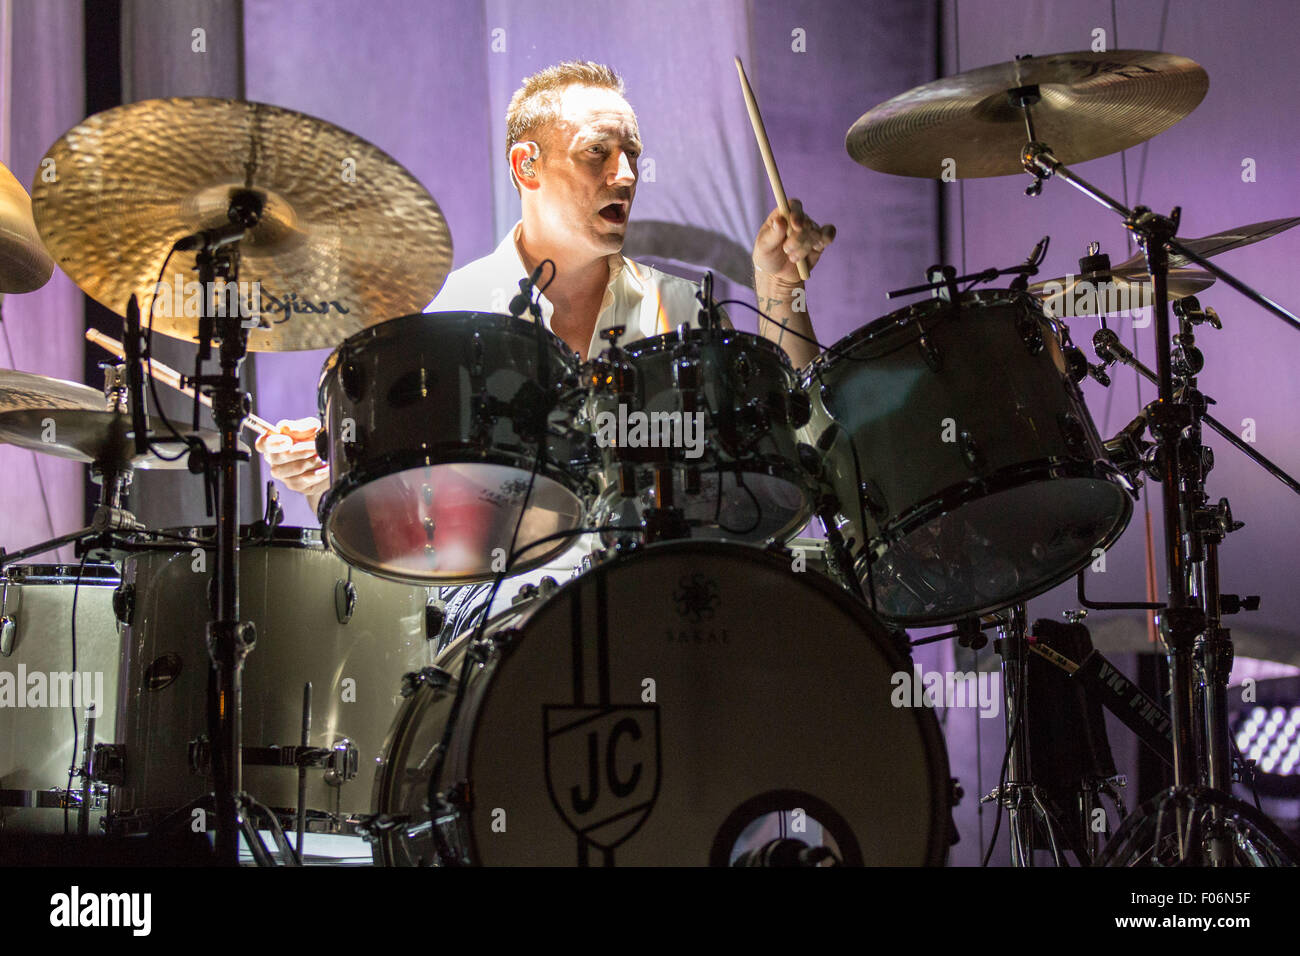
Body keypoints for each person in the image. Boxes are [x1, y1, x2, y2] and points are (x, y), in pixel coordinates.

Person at [257, 60, 834, 517]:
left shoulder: (686, 309)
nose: (627, 175)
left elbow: (804, 443)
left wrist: (779, 290)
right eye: (597, 153)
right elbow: (410, 511)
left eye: (632, 154)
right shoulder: (454, 314)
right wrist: (333, 467)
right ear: (526, 166)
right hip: (509, 619)